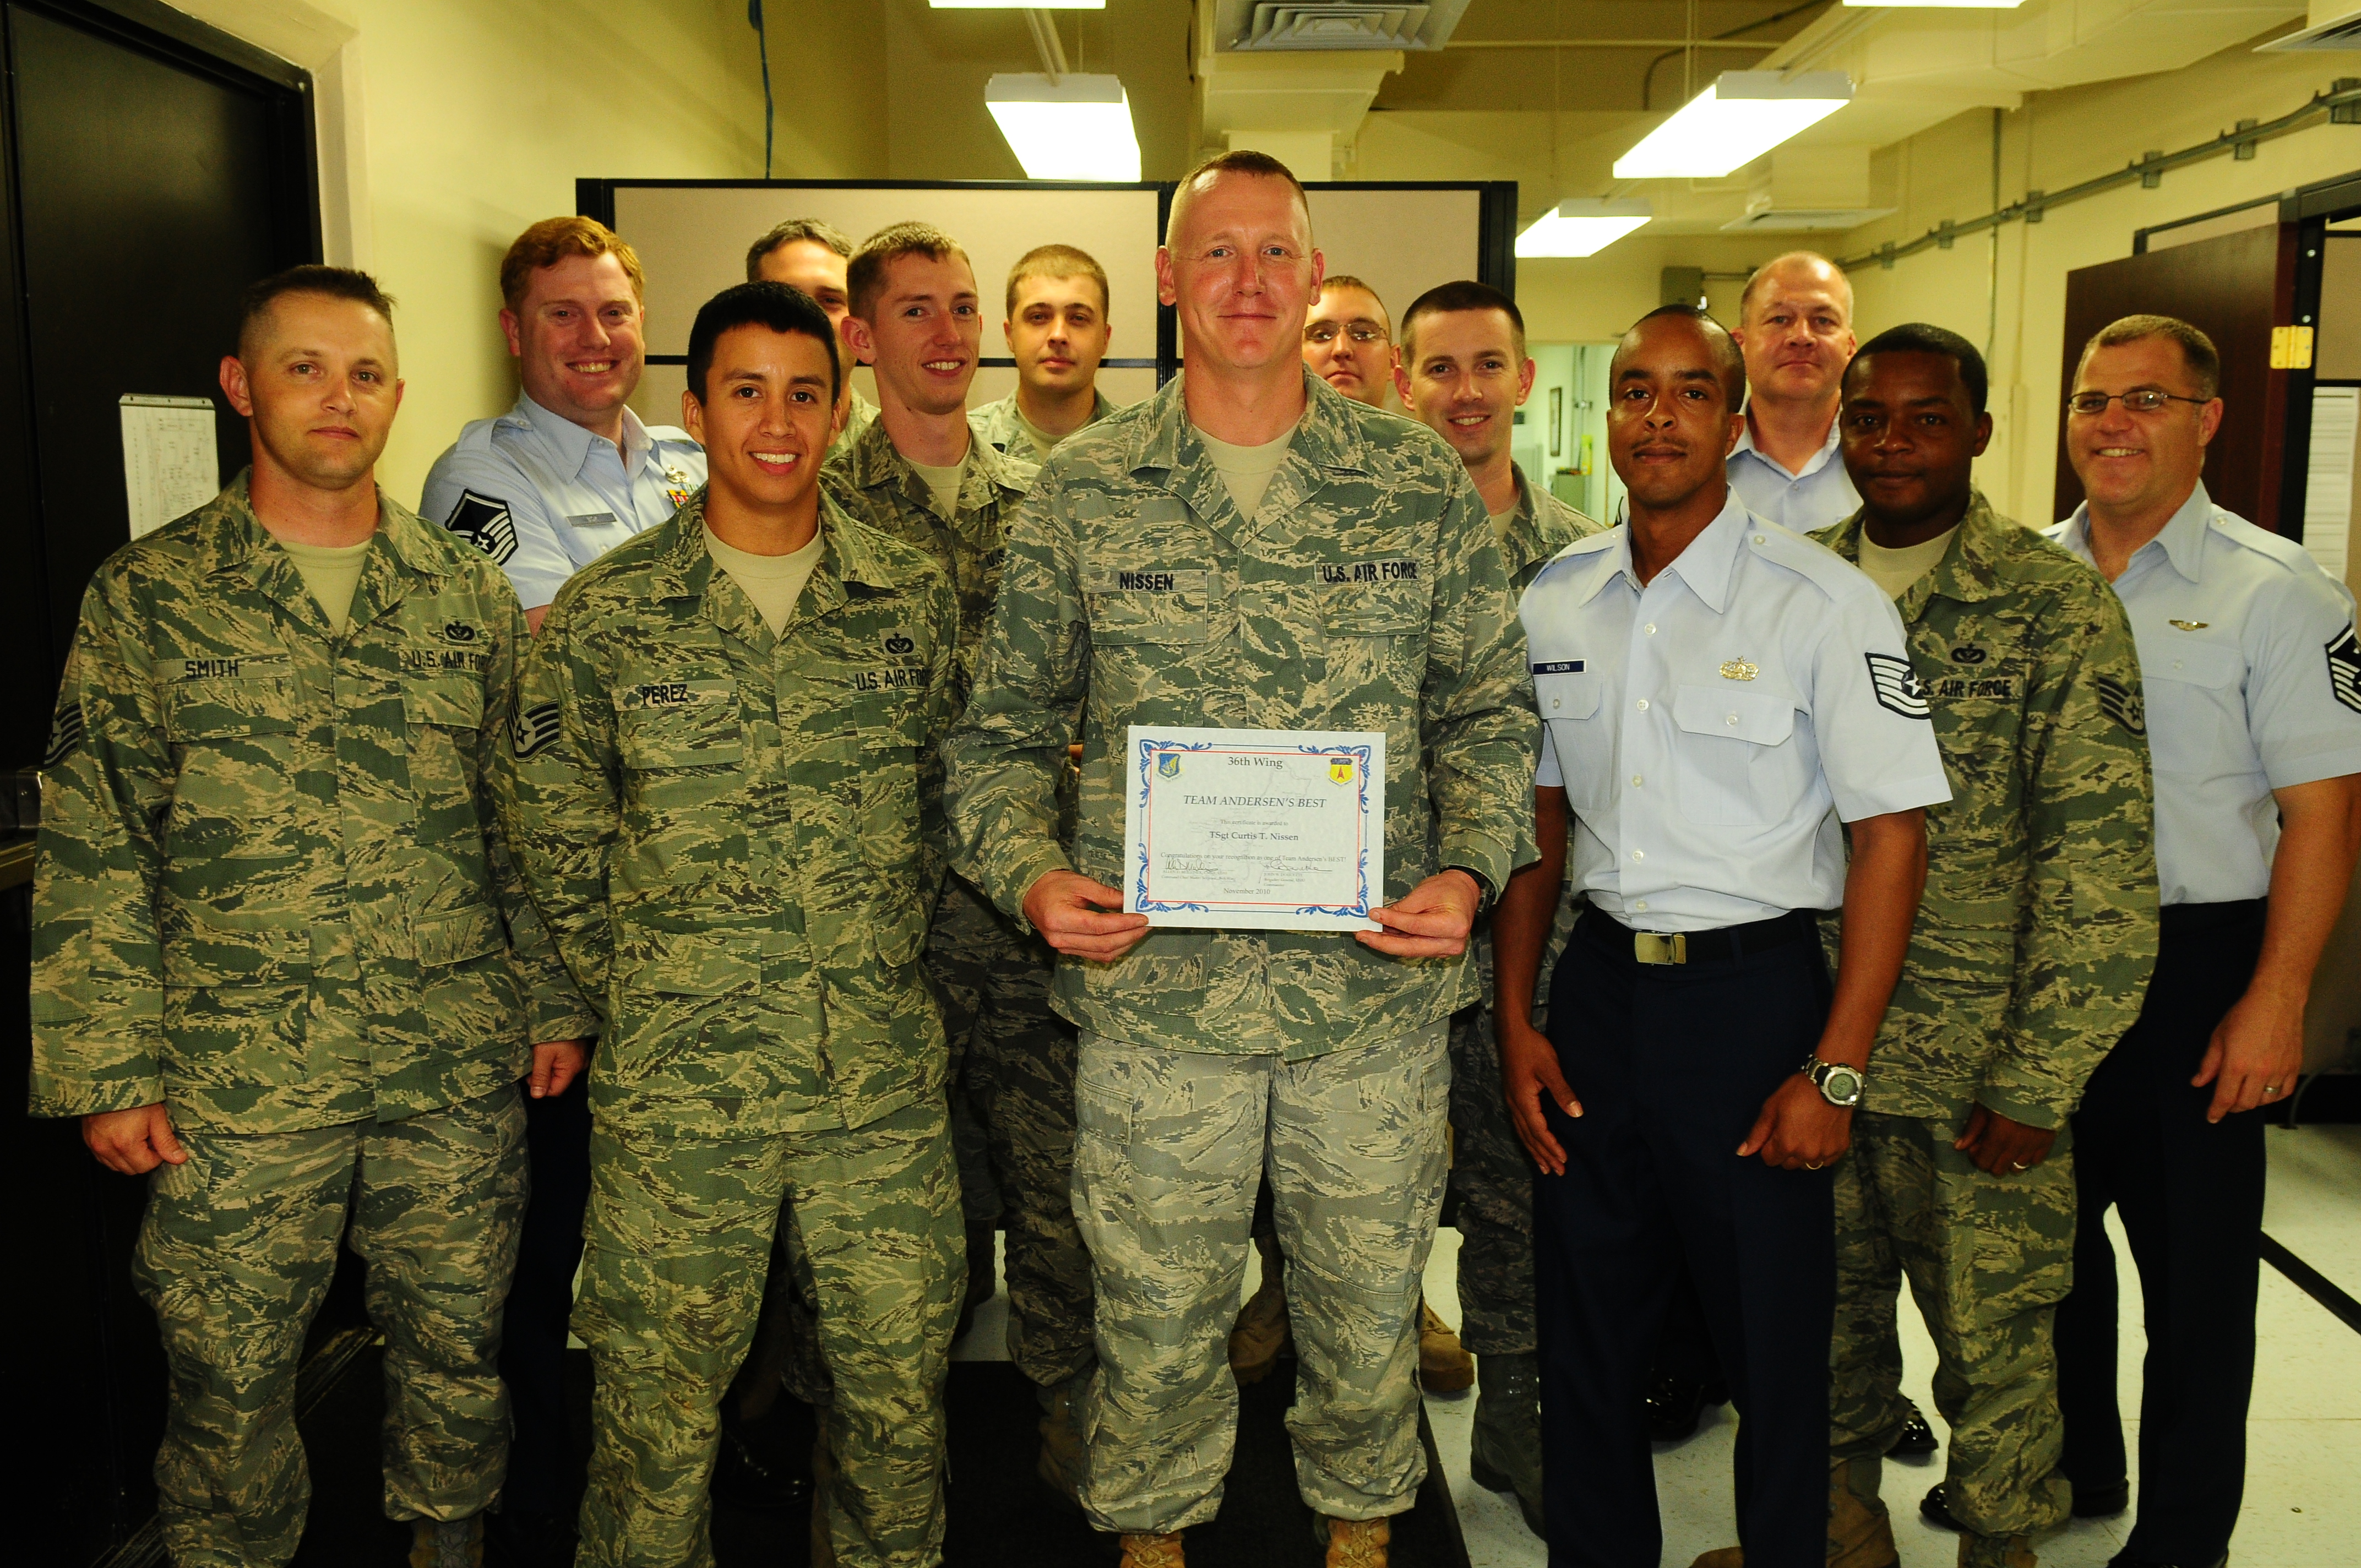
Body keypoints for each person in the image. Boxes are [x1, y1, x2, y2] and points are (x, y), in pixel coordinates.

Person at [944, 149, 1537, 1568]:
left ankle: (1358, 1535)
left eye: (1276, 252)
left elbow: (1487, 709)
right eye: (1216, 253)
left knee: (1365, 1305)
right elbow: (999, 736)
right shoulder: (1088, 489)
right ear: (1166, 280)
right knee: (1148, 1315)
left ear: (1313, 271)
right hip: (1160, 1008)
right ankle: (1151, 1541)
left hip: (1368, 1006)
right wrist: (1030, 875)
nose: (1249, 282)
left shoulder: (1406, 476)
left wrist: (1467, 871)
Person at [29, 265, 591, 1568]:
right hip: (235, 1076)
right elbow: (97, 833)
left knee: (458, 1344)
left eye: (366, 372)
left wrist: (554, 999)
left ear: (396, 394)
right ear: (241, 387)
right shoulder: (150, 596)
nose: (338, 398)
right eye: (304, 367)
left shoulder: (461, 594)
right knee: (225, 1369)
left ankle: (449, 1543)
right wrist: (107, 1067)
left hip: (451, 1059)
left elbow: (523, 821)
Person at [496, 280, 966, 1568]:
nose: (777, 421)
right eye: (745, 392)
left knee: (892, 1407)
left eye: (805, 392)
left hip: (872, 1087)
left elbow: (950, 806)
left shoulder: (907, 601)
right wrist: (649, 983)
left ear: (838, 406)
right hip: (677, 1096)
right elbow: (554, 828)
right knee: (654, 1424)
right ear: (694, 412)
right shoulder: (604, 616)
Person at [1494, 304, 1949, 1568]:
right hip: (1594, 993)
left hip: (1750, 1008)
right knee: (1582, 1330)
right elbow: (1537, 820)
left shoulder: (1822, 601)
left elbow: (1891, 837)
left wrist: (1833, 1066)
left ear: (1733, 421)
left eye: (1689, 392)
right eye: (1633, 389)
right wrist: (1518, 1019)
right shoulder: (1558, 596)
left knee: (1771, 1346)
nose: (1656, 414)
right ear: (1606, 416)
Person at [1794, 324, 2156, 1568]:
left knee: (1997, 1357)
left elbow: (2098, 865)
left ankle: (1996, 1547)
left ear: (1980, 433)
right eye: (1868, 419)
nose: (1891, 444)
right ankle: (1843, 1532)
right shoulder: (1793, 583)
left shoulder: (2050, 605)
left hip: (1973, 1071)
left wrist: (2035, 1077)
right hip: (1812, 1054)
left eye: (1924, 418)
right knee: (1821, 1331)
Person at [2046, 315, 2361, 1568]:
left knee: (2195, 1280)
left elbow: (2322, 811)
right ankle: (2074, 1463)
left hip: (2200, 967)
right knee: (2048, 1253)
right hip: (2051, 963)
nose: (2111, 423)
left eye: (2144, 400)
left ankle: (2179, 1536)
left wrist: (2277, 997)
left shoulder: (2277, 589)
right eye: (2090, 400)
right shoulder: (2029, 572)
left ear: (2206, 418)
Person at [823, 221, 1096, 1503]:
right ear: (860, 335)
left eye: (961, 307)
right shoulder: (810, 506)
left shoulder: (1046, 502)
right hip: (875, 928)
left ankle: (1063, 1407)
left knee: (1058, 1196)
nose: (948, 334)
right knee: (887, 1229)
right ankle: (879, 1457)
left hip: (1026, 919)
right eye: (916, 310)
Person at [1392, 276, 1602, 1536]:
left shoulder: (1585, 560)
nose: (1463, 391)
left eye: (1486, 365)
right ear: (1405, 384)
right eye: (1439, 368)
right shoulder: (1356, 545)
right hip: (1391, 938)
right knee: (1372, 1209)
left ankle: (1519, 1432)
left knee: (1528, 1200)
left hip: (1539, 937)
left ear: (1522, 379)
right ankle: (1362, 1449)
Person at [422, 216, 705, 635]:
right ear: (515, 332)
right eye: (564, 314)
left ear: (641, 322)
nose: (596, 338)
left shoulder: (693, 460)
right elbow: (560, 656)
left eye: (614, 313)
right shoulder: (479, 477)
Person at [1725, 251, 1860, 532]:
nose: (1802, 337)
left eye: (1823, 321)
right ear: (1740, 344)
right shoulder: (1698, 460)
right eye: (1779, 319)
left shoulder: (1890, 462)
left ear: (1850, 347)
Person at [969, 243, 1119, 461]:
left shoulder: (1147, 447)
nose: (1058, 335)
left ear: (1105, 339)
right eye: (1038, 317)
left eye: (1078, 318)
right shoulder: (961, 445)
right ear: (1010, 335)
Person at [748, 216, 878, 457]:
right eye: (787, 299)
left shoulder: (902, 453)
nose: (811, 317)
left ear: (860, 327)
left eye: (830, 301)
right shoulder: (706, 460)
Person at [1302, 273, 1396, 408]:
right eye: (1322, 335)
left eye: (1364, 334)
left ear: (1393, 362)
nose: (1342, 349)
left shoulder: (1420, 431)